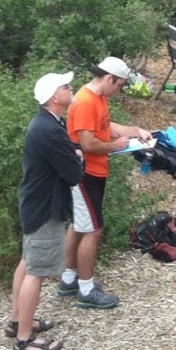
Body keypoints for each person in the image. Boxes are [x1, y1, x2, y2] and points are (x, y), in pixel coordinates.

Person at [60, 57, 152, 309]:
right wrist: (116, 146)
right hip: (84, 173)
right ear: (109, 78)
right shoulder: (85, 101)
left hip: (94, 171)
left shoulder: (98, 99)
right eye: (120, 85)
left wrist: (135, 130)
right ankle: (86, 290)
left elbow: (106, 126)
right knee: (93, 229)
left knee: (80, 225)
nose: (119, 90)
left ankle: (69, 278)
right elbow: (88, 144)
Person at [7, 71, 82, 350]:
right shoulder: (49, 129)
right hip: (45, 208)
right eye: (65, 86)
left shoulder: (47, 123)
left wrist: (72, 155)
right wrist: (78, 157)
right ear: (54, 97)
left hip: (34, 203)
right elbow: (74, 174)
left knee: (28, 261)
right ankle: (25, 338)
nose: (70, 87)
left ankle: (17, 321)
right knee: (36, 271)